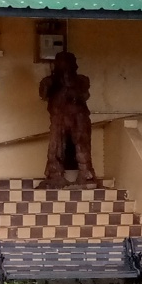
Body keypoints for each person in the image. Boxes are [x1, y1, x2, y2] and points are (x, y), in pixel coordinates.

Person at [38, 51, 97, 188]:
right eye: (61, 63)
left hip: (79, 117)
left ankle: (86, 174)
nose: (64, 66)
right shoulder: (49, 82)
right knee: (56, 147)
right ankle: (55, 175)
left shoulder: (81, 80)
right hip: (59, 118)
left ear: (74, 64)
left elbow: (84, 95)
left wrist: (68, 83)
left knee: (82, 145)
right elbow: (43, 94)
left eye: (67, 63)